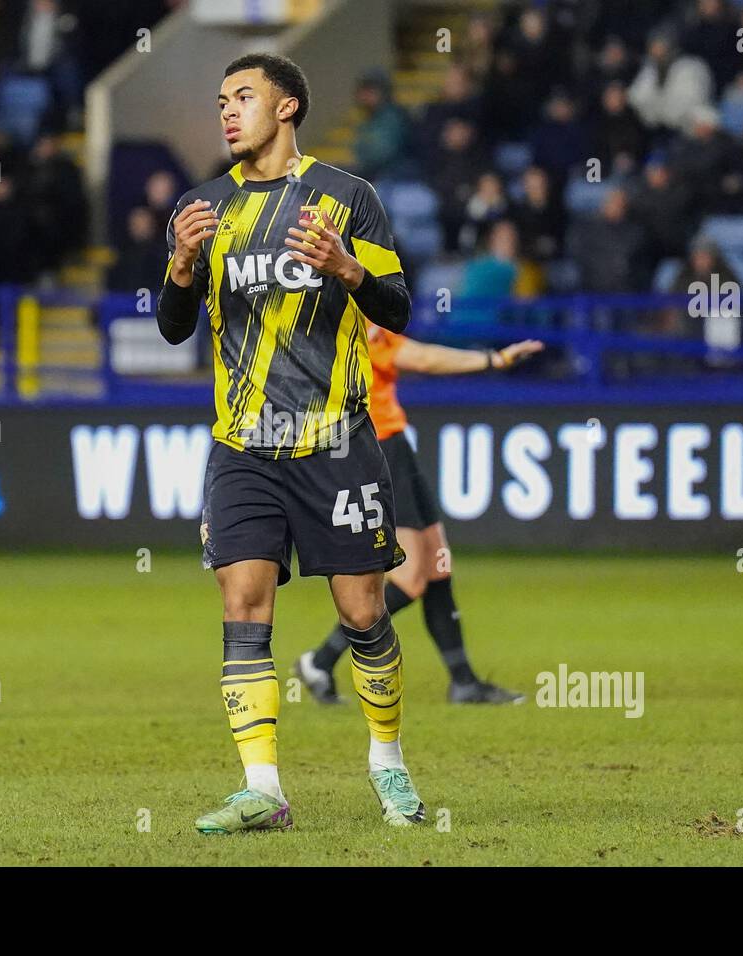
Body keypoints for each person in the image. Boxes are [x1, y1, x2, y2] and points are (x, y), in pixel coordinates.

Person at [156, 53, 421, 834]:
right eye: (221, 99)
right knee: (243, 603)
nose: (227, 111)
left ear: (289, 107)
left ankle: (388, 763)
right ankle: (264, 789)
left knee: (363, 610)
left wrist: (347, 270)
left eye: (244, 96)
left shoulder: (347, 198)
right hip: (243, 445)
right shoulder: (205, 206)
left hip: (335, 440)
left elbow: (399, 308)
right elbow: (174, 327)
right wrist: (178, 267)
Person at [297, 329, 543, 705]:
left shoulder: (346, 320)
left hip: (393, 447)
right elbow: (422, 358)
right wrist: (495, 360)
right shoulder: (356, 323)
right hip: (374, 450)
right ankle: (321, 658)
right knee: (410, 578)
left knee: (438, 566)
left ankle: (463, 682)